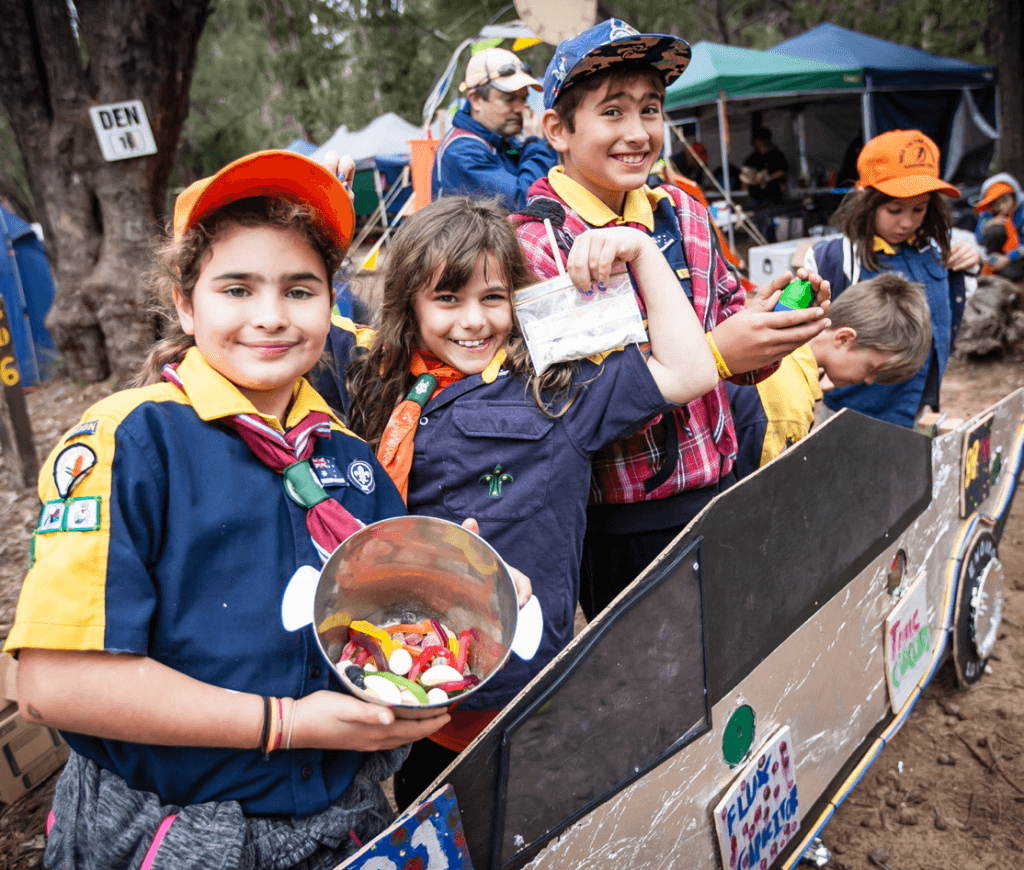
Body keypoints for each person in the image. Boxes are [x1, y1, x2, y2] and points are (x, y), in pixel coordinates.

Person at [4, 150, 453, 870]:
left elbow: (379, 633)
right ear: (185, 302)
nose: (270, 318)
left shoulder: (351, 463)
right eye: (237, 289)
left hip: (346, 823)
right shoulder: (131, 441)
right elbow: (52, 685)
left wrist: (459, 611)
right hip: (181, 834)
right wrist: (290, 725)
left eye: (300, 290)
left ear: (332, 301)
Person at [326, 195, 719, 809]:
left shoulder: (556, 388)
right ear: (410, 303)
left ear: (519, 296)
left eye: (492, 298)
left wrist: (641, 251)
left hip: (510, 689)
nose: (473, 321)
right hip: (402, 675)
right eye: (447, 300)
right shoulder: (379, 382)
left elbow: (691, 370)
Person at [511, 18, 832, 621]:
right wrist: (717, 353)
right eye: (613, 112)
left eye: (651, 109)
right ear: (557, 128)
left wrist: (771, 326)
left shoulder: (680, 209)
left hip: (722, 485)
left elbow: (732, 326)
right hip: (623, 525)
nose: (638, 133)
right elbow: (574, 409)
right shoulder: (536, 247)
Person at [805, 129, 981, 428]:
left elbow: (953, 305)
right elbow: (790, 320)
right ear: (866, 199)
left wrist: (969, 265)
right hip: (850, 414)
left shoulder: (936, 252)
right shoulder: (832, 257)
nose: (907, 222)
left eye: (919, 209)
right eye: (894, 209)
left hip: (917, 406)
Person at [728, 273, 932, 479]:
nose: (869, 380)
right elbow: (758, 493)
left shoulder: (772, 347)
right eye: (871, 369)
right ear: (844, 338)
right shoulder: (786, 405)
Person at [431, 47, 557, 208]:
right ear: (476, 100)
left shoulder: (502, 144)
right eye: (509, 99)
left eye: (524, 98)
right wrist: (534, 143)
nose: (521, 109)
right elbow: (525, 204)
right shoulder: (462, 151)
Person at [974, 173, 1024, 281]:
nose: (1001, 207)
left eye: (1004, 200)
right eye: (996, 203)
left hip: (1017, 254)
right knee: (995, 230)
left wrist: (1008, 258)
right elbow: (979, 239)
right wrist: (987, 225)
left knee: (1011, 274)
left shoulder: (1022, 213)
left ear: (1014, 196)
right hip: (997, 253)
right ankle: (991, 265)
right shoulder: (987, 213)